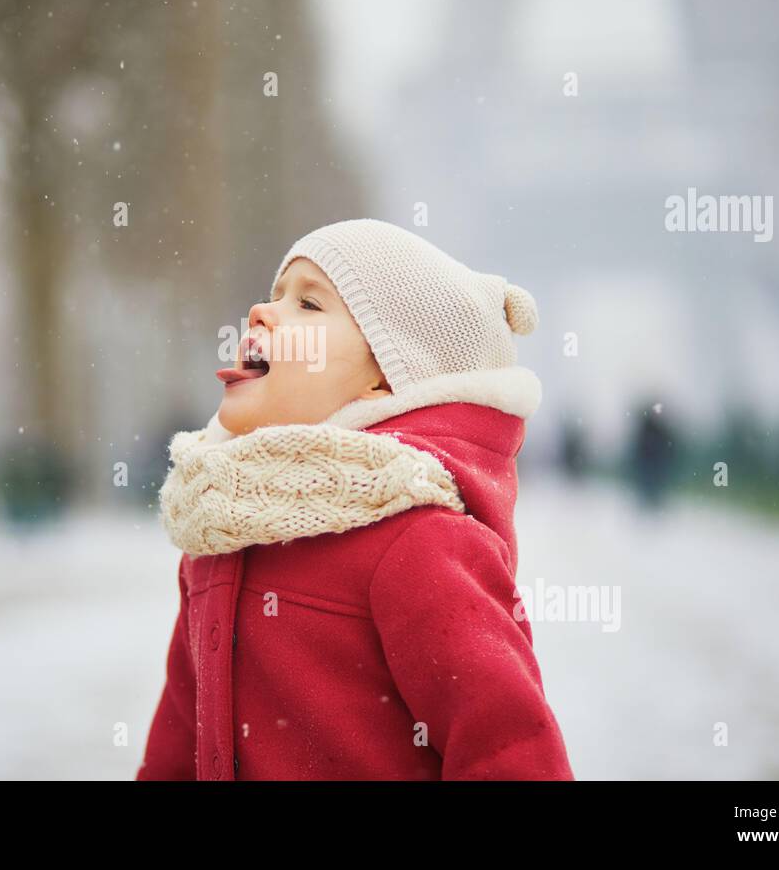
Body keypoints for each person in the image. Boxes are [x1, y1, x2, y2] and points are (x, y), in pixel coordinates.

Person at [137, 218, 574, 780]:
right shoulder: (218, 529)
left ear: (384, 380)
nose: (261, 311)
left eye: (309, 304)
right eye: (275, 294)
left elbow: (508, 751)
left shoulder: (417, 542)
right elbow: (177, 747)